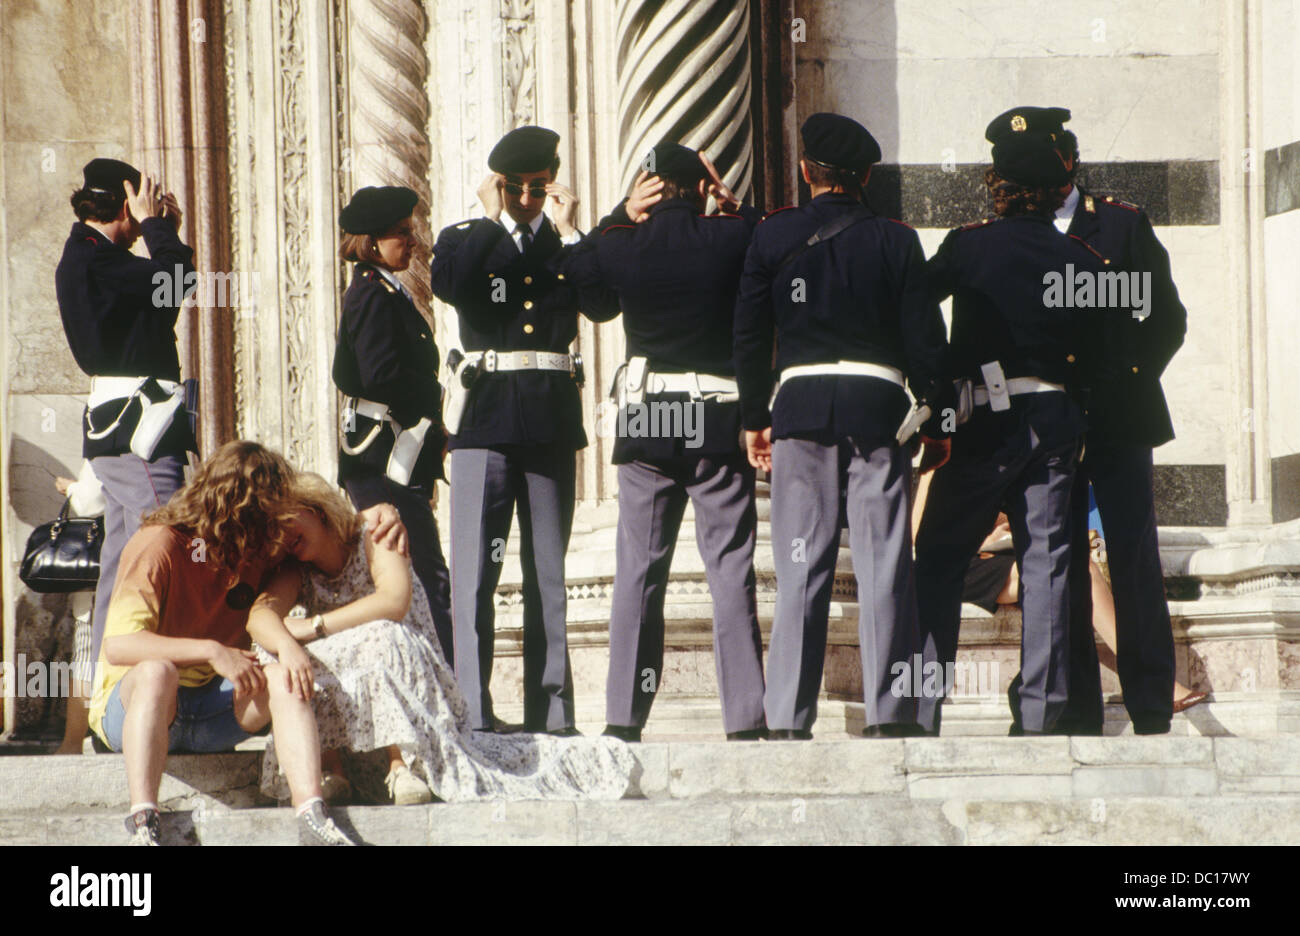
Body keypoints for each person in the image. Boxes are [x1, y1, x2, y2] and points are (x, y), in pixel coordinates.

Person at [733, 113, 950, 739]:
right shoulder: (896, 239)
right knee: (885, 563)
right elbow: (925, 341)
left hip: (799, 412)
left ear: (807, 172)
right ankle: (889, 714)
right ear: (865, 177)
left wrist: (754, 416)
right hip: (877, 411)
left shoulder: (774, 235)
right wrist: (935, 413)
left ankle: (787, 719)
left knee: (802, 564)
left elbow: (748, 335)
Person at [87, 441, 405, 845]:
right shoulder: (160, 544)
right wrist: (211, 651)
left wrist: (381, 512)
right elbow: (119, 646)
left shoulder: (258, 553)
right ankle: (143, 823)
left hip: (213, 711)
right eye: (270, 510)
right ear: (240, 510)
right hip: (137, 708)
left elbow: (333, 532)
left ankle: (311, 815)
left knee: (282, 676)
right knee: (157, 672)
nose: (279, 525)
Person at [984, 106, 1187, 736]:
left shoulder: (1122, 227)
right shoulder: (1005, 232)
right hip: (1044, 421)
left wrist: (1126, 376)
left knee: (1132, 553)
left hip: (1118, 415)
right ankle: (1068, 705)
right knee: (1054, 558)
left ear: (1069, 160)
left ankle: (1151, 702)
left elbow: (1166, 318)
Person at [914, 129, 1124, 736]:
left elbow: (914, 303)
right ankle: (1041, 714)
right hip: (1054, 421)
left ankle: (921, 708)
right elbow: (1110, 352)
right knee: (1049, 566)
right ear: (1053, 190)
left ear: (997, 188)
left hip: (980, 419)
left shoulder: (968, 246)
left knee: (938, 558)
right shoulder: (1084, 260)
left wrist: (935, 384)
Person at [251, 473, 635, 802]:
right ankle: (332, 770)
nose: (283, 537)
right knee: (285, 654)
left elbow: (394, 601)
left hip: (413, 675)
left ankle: (402, 764)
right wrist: (287, 641)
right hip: (357, 715)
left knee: (381, 636)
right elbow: (259, 618)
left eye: (286, 521)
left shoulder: (372, 530)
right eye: (273, 533)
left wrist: (316, 625)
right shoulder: (296, 570)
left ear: (314, 507)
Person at [563, 143, 767, 742]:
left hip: (649, 419)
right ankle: (747, 722)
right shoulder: (729, 237)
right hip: (714, 418)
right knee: (729, 571)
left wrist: (618, 213)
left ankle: (624, 720)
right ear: (701, 186)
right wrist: (731, 201)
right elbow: (773, 234)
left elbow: (585, 275)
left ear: (652, 189)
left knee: (638, 573)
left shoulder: (624, 242)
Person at [430, 126, 587, 735]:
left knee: (549, 570)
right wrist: (493, 221)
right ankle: (473, 706)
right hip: (484, 421)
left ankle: (552, 710)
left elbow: (600, 300)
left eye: (538, 188)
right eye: (517, 188)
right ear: (498, 186)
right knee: (474, 573)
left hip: (548, 420)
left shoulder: (565, 245)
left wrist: (572, 235)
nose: (528, 199)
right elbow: (449, 285)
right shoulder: (468, 238)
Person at [55, 158, 197, 676]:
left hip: (126, 430)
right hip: (140, 430)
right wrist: (159, 229)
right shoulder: (97, 259)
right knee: (171, 543)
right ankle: (163, 691)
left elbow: (160, 302)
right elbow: (179, 281)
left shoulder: (97, 258)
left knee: (122, 563)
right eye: (141, 203)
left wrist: (166, 231)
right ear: (124, 205)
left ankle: (108, 697)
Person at [334, 185, 453, 661]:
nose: (414, 242)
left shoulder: (383, 289)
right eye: (402, 234)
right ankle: (455, 697)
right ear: (373, 241)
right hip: (384, 462)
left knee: (419, 575)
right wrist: (432, 397)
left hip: (393, 458)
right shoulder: (372, 293)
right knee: (422, 575)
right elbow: (376, 374)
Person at [53, 461, 106, 754]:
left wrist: (70, 488)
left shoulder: (105, 440)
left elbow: (90, 501)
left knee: (86, 654)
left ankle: (72, 741)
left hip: (102, 571)